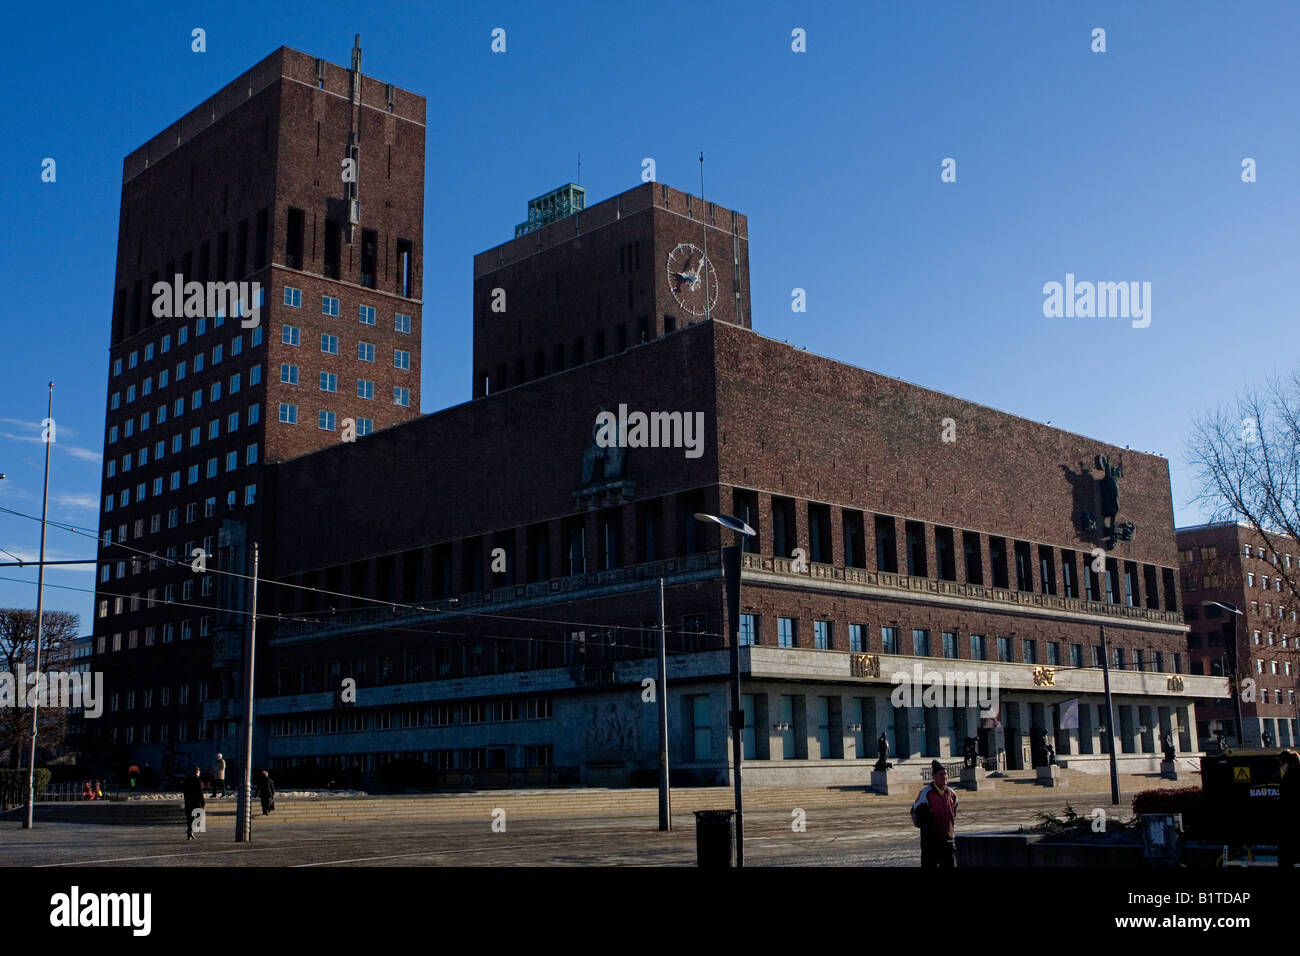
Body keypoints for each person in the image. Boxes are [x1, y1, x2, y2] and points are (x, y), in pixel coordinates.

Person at [912, 759, 959, 868]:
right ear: (934, 777)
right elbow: (916, 814)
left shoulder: (952, 794)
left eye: (945, 774)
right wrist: (928, 828)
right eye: (941, 774)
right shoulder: (925, 793)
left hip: (948, 842)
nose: (944, 777)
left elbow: (953, 812)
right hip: (930, 844)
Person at [1279, 750, 1299, 867]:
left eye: (1281, 765)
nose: (1281, 768)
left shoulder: (1288, 778)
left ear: (1285, 763)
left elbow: (1287, 806)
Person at [182, 766, 205, 840]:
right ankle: (190, 831)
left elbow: (185, 791)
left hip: (188, 802)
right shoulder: (198, 781)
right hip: (196, 802)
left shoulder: (187, 780)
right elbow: (200, 793)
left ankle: (190, 832)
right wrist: (203, 802)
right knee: (200, 815)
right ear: (197, 772)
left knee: (190, 818)